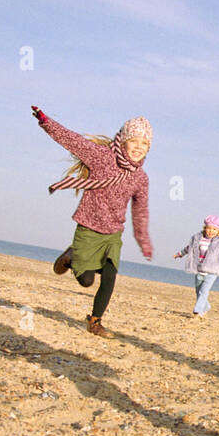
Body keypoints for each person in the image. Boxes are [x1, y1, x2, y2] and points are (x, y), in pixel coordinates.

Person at [32, 106, 153, 337]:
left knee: (110, 275)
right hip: (88, 228)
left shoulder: (141, 177)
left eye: (145, 143)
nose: (139, 147)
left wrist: (143, 239)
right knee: (86, 281)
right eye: (134, 141)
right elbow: (73, 141)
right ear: (122, 140)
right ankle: (71, 256)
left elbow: (140, 210)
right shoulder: (102, 157)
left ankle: (95, 322)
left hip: (113, 234)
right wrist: (46, 122)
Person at [174, 215, 219, 316]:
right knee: (198, 292)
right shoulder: (198, 239)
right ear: (205, 228)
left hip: (211, 271)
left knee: (204, 291)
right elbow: (189, 248)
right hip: (198, 269)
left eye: (214, 229)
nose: (211, 231)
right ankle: (206, 306)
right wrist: (179, 254)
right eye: (209, 228)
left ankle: (198, 311)